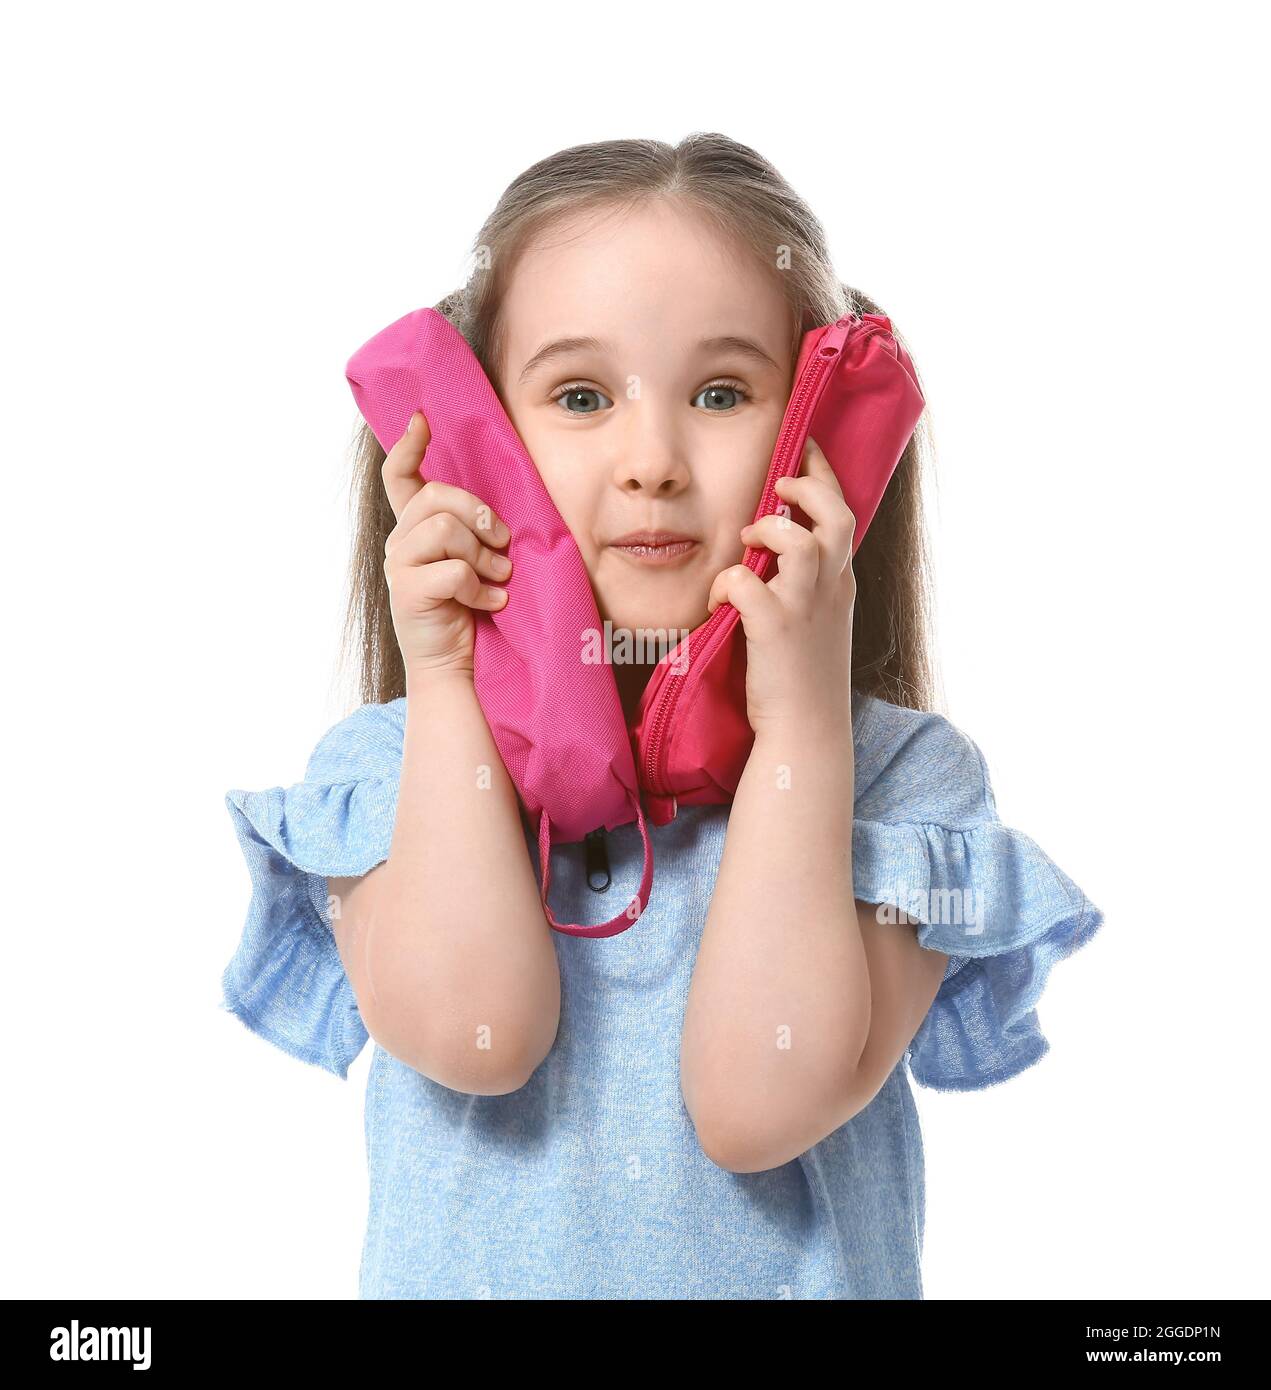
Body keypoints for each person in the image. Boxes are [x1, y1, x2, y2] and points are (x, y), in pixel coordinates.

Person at [221, 133, 1104, 1299]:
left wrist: (795, 733)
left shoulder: (900, 784)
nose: (653, 460)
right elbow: (472, 1030)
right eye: (580, 396)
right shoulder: (391, 766)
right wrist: (447, 679)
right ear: (471, 443)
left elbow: (755, 1103)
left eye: (722, 392)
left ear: (822, 441)